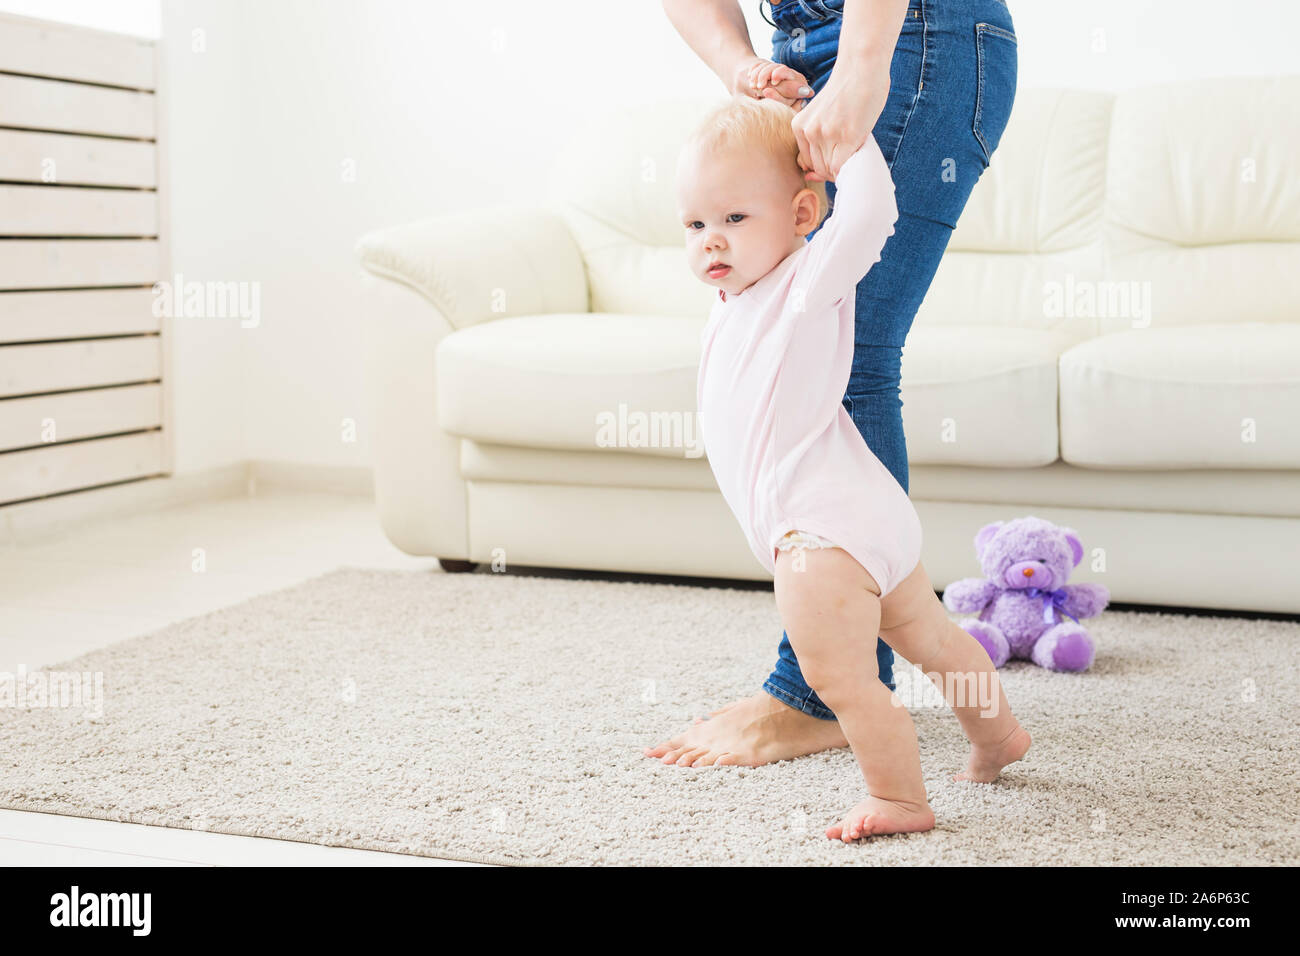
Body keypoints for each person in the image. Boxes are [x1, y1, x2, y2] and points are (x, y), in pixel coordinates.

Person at [647, 0, 1019, 768]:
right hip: (808, 44)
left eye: (727, 222)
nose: (710, 241)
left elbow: (861, 222)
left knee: (851, 360)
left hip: (911, 31)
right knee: (931, 633)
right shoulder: (742, 295)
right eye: (694, 227)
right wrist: (738, 67)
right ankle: (996, 732)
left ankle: (833, 710)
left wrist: (861, 67)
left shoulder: (802, 291)